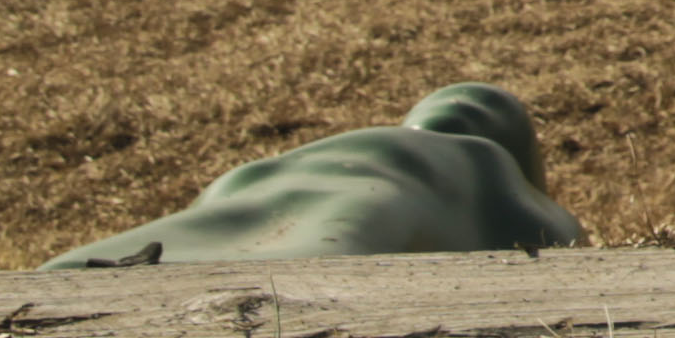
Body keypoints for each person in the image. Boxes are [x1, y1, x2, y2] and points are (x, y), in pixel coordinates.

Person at [40, 84, 586, 265]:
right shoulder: (490, 173)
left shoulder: (275, 167)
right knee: (332, 236)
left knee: (307, 232)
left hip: (250, 206)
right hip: (339, 226)